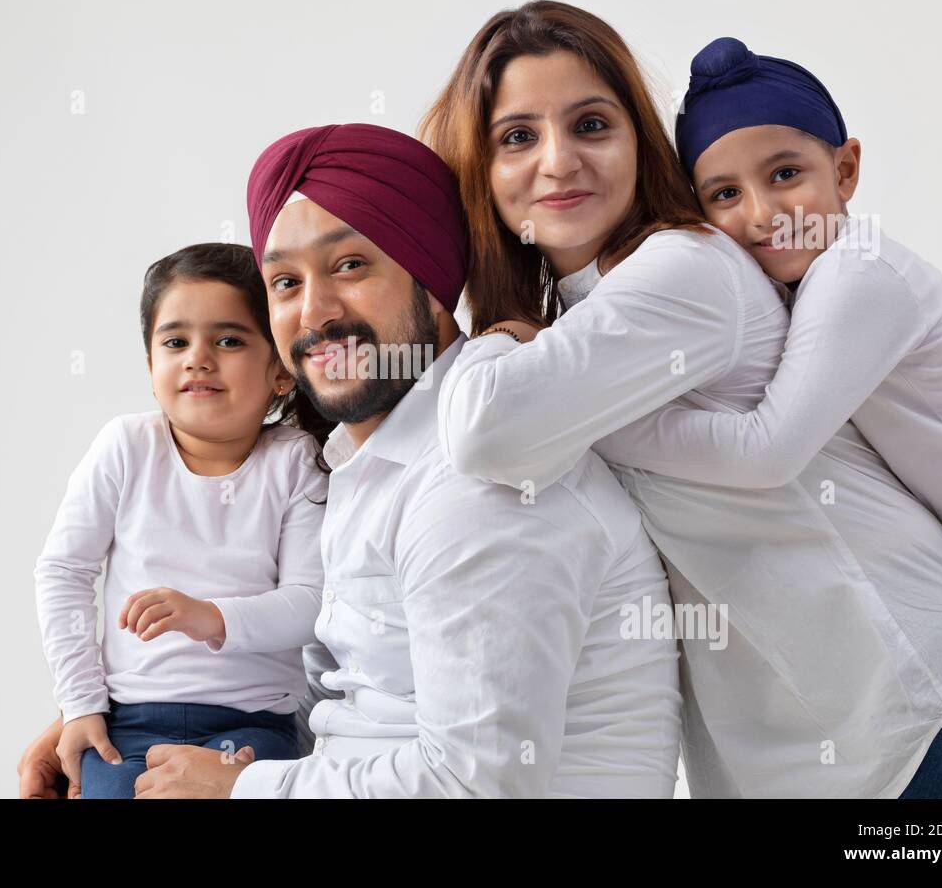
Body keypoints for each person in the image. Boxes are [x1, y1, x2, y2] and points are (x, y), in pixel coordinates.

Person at [422, 0, 942, 797]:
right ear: (483, 169)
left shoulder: (686, 269)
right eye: (518, 137)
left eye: (592, 125)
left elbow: (486, 434)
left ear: (642, 144)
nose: (560, 161)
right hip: (840, 760)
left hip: (932, 728)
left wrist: (491, 340)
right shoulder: (583, 318)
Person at [129, 122, 683, 797]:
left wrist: (238, 790)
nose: (316, 312)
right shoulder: (365, 463)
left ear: (431, 274)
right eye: (284, 282)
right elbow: (346, 708)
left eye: (350, 266)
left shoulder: (478, 481)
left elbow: (474, 784)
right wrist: (115, 727)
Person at [612, 35, 942, 627]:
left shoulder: (858, 271)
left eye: (785, 173)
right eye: (725, 193)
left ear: (845, 169)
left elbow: (767, 452)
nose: (763, 212)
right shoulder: (804, 285)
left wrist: (595, 425)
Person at [31, 243, 331, 798]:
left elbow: (311, 603)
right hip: (128, 723)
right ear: (151, 368)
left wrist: (210, 617)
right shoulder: (126, 446)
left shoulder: (295, 462)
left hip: (255, 725)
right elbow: (63, 572)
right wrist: (79, 704)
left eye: (229, 340)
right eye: (175, 342)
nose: (198, 357)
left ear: (282, 372)